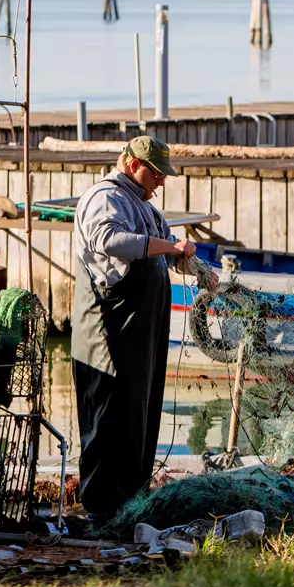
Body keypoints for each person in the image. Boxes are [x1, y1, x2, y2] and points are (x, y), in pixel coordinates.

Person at [70, 135, 201, 531]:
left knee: (138, 410)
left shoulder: (147, 207)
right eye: (155, 173)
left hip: (143, 330)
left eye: (163, 175)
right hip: (108, 328)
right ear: (131, 163)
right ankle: (100, 507)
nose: (160, 182)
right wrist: (166, 246)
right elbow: (110, 240)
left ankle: (131, 498)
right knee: (107, 413)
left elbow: (164, 251)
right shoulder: (104, 197)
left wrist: (187, 258)